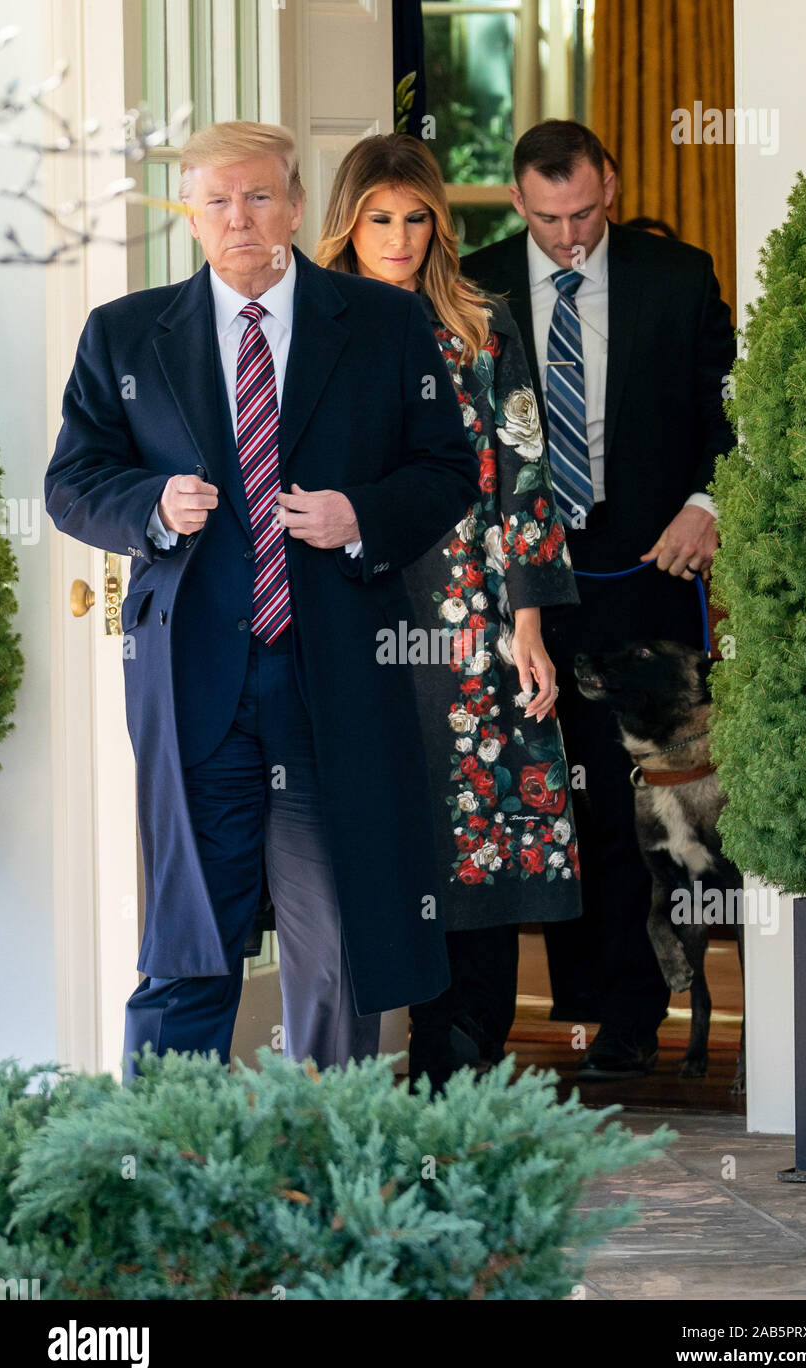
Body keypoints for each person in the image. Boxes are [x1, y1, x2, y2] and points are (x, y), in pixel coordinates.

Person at [44, 120, 480, 1079]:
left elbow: (447, 472)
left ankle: (330, 1177)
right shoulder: (124, 333)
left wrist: (358, 514)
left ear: (291, 205)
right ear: (189, 218)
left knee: (337, 943)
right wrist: (149, 505)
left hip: (333, 678)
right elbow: (71, 485)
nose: (238, 219)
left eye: (257, 198)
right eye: (215, 201)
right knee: (188, 937)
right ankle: (161, 1165)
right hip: (198, 685)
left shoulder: (381, 324)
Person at [462, 119, 736, 1081]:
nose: (568, 237)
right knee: (533, 795)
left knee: (628, 807)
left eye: (582, 212)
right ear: (515, 203)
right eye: (545, 220)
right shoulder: (471, 280)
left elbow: (727, 411)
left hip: (643, 572)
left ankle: (628, 1017)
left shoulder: (679, 275)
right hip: (514, 581)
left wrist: (705, 506)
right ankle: (531, 1013)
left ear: (609, 185)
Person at [311, 134, 582, 1091]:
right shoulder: (307, 324)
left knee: (481, 839)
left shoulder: (483, 324)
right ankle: (345, 1078)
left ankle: (462, 1073)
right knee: (372, 839)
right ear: (348, 220)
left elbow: (524, 477)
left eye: (414, 217)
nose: (397, 237)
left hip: (469, 615)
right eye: (378, 218)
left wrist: (529, 623)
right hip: (347, 603)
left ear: (438, 222)